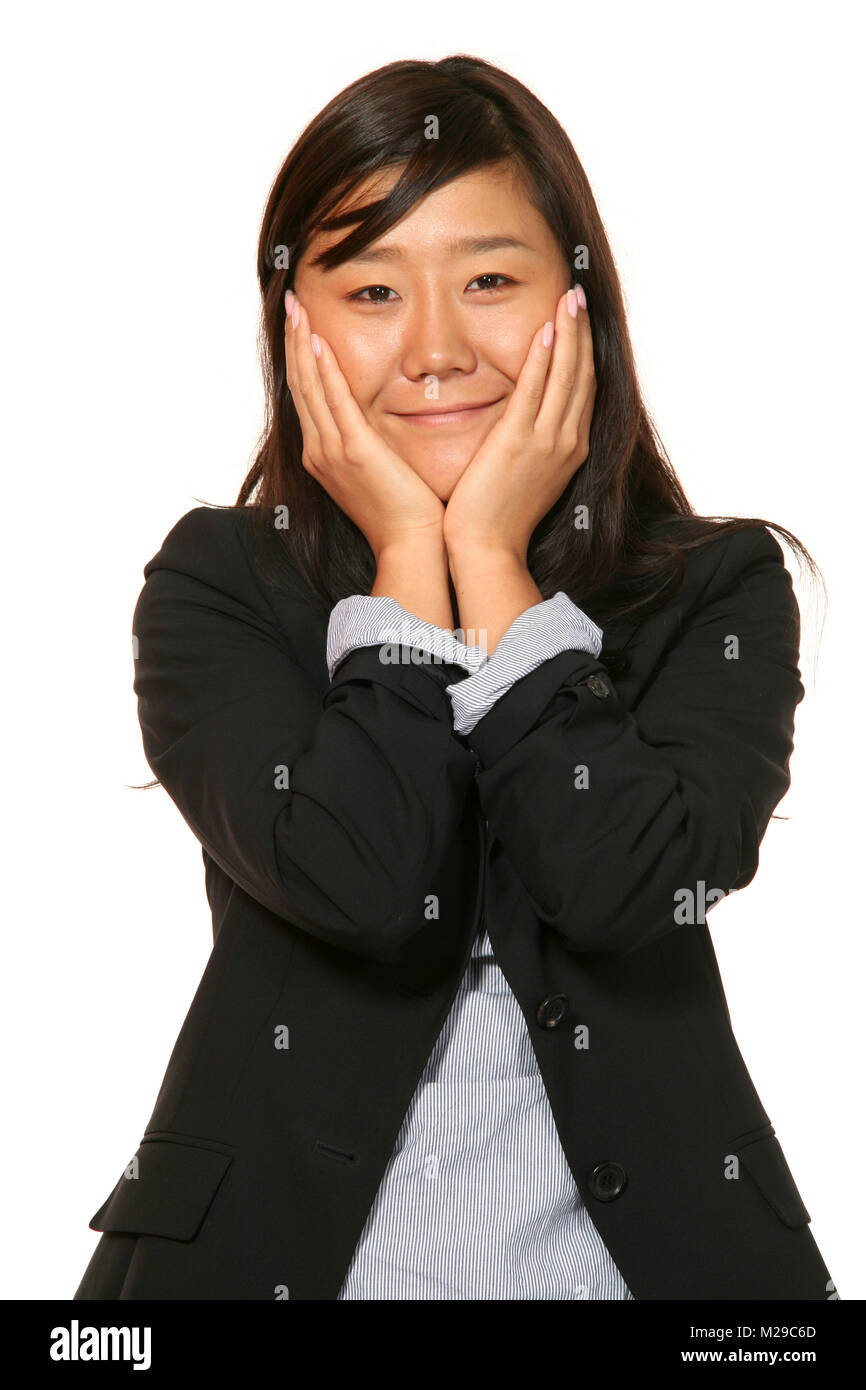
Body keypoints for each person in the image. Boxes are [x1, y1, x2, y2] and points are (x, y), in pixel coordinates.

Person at [73, 54, 835, 1300]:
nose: (432, 349)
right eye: (372, 288)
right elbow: (358, 880)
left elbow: (631, 884)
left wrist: (490, 559)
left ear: (576, 302)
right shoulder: (221, 582)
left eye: (487, 279)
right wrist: (409, 567)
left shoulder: (716, 587)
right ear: (295, 325)